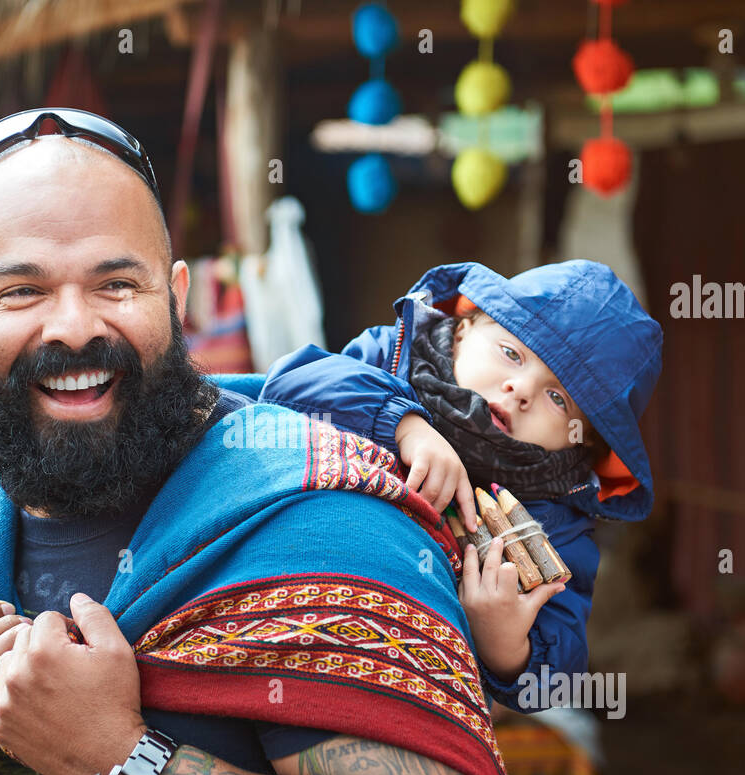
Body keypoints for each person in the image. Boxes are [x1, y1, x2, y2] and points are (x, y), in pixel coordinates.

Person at [0, 109, 529, 775]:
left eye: (116, 283)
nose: (74, 326)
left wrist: (121, 755)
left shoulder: (319, 525)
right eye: (20, 291)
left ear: (174, 301)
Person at [258, 261, 663, 712]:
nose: (521, 389)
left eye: (558, 398)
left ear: (585, 440)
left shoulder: (557, 519)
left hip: (400, 683)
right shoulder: (393, 359)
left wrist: (506, 646)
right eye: (512, 353)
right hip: (286, 594)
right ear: (464, 329)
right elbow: (286, 383)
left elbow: (559, 677)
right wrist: (404, 424)